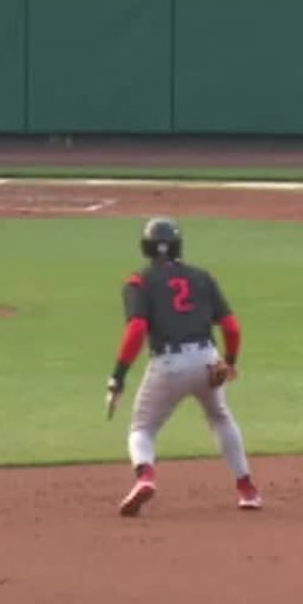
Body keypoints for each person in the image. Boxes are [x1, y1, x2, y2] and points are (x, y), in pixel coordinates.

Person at [105, 217, 262, 518]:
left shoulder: (139, 282)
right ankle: (246, 489)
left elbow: (136, 330)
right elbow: (231, 327)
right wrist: (229, 363)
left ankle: (145, 476)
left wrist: (118, 376)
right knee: (220, 417)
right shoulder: (203, 277)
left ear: (146, 248)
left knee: (142, 428)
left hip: (169, 364)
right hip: (207, 358)